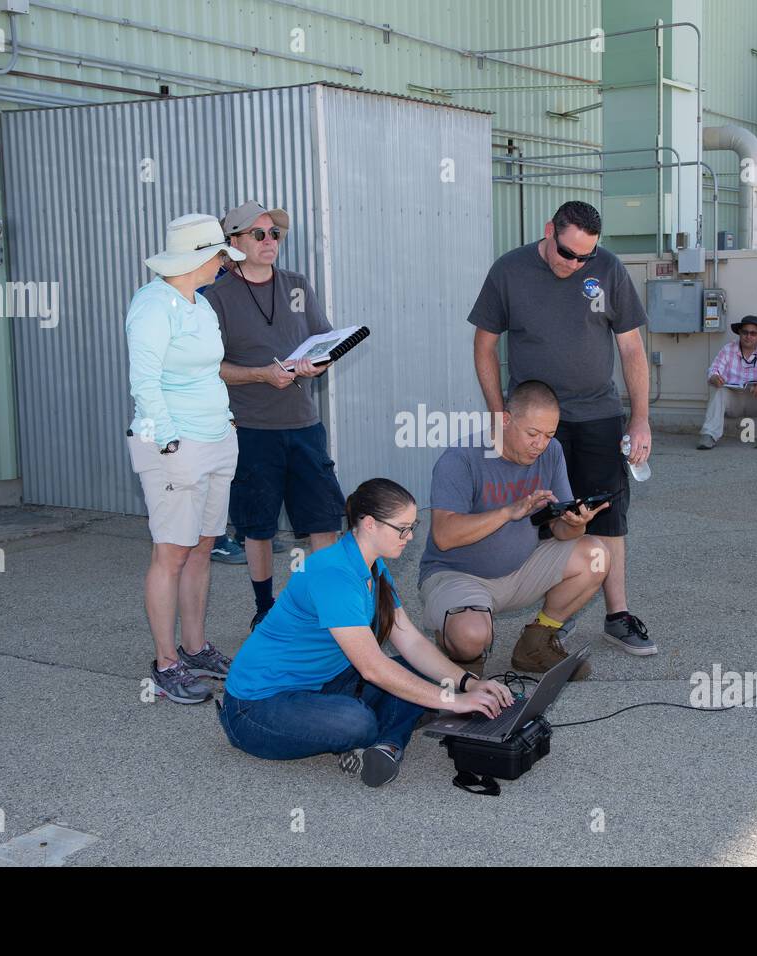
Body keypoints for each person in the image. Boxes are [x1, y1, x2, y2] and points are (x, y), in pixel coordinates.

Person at [219, 478, 515, 788]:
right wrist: (455, 701)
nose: (410, 536)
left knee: (415, 670)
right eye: (403, 528)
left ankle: (386, 747)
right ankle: (385, 731)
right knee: (356, 721)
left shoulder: (373, 565)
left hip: (325, 681)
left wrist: (468, 683)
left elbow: (411, 640)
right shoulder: (334, 574)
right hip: (256, 706)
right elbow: (372, 668)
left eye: (412, 526)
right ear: (370, 524)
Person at [470, 200, 657, 657]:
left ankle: (617, 615)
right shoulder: (508, 270)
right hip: (534, 423)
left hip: (597, 414)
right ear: (549, 229)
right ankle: (556, 616)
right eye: (567, 252)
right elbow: (484, 346)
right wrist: (499, 414)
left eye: (584, 257)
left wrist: (640, 417)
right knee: (544, 514)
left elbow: (632, 349)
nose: (574, 264)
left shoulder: (608, 270)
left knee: (605, 515)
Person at [203, 201, 346, 630]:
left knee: (323, 520)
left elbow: (324, 341)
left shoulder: (297, 285)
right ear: (234, 243)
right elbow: (211, 367)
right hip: (251, 428)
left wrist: (318, 362)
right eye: (259, 234)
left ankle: (327, 608)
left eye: (275, 234)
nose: (270, 242)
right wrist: (261, 375)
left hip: (304, 424)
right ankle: (264, 609)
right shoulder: (216, 296)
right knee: (257, 526)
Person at [125, 213, 245, 705]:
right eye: (220, 255)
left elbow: (209, 372)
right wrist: (170, 441)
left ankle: (195, 648)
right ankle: (166, 662)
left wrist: (227, 421)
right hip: (174, 445)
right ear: (200, 257)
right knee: (171, 552)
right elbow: (144, 381)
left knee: (201, 546)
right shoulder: (152, 306)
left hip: (216, 437)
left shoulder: (200, 304)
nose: (224, 263)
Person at [419, 381, 614, 680]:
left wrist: (576, 524)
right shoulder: (461, 458)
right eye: (533, 434)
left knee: (597, 555)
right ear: (506, 420)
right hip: (458, 575)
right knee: (471, 636)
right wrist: (508, 511)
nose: (541, 444)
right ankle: (459, 666)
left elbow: (560, 530)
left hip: (519, 571)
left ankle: (535, 645)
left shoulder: (551, 453)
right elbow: (444, 537)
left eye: (549, 435)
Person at [696, 315, 757, 450]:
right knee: (720, 390)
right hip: (733, 401)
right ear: (739, 333)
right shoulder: (728, 349)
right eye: (745, 332)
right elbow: (713, 370)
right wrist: (714, 378)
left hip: (756, 399)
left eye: (753, 333)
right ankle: (709, 435)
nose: (748, 336)